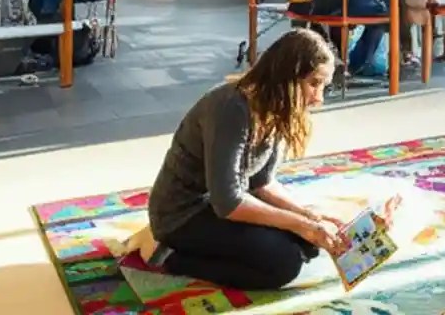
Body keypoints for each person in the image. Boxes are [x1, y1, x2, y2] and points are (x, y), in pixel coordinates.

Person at [139, 29, 347, 290]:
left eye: (323, 87)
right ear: (287, 77)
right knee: (284, 263)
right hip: (183, 214)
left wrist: (310, 217)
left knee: (309, 242)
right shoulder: (231, 107)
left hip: (219, 206)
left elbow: (262, 182)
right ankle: (173, 259)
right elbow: (228, 202)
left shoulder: (277, 108)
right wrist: (301, 224)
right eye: (314, 84)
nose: (318, 98)